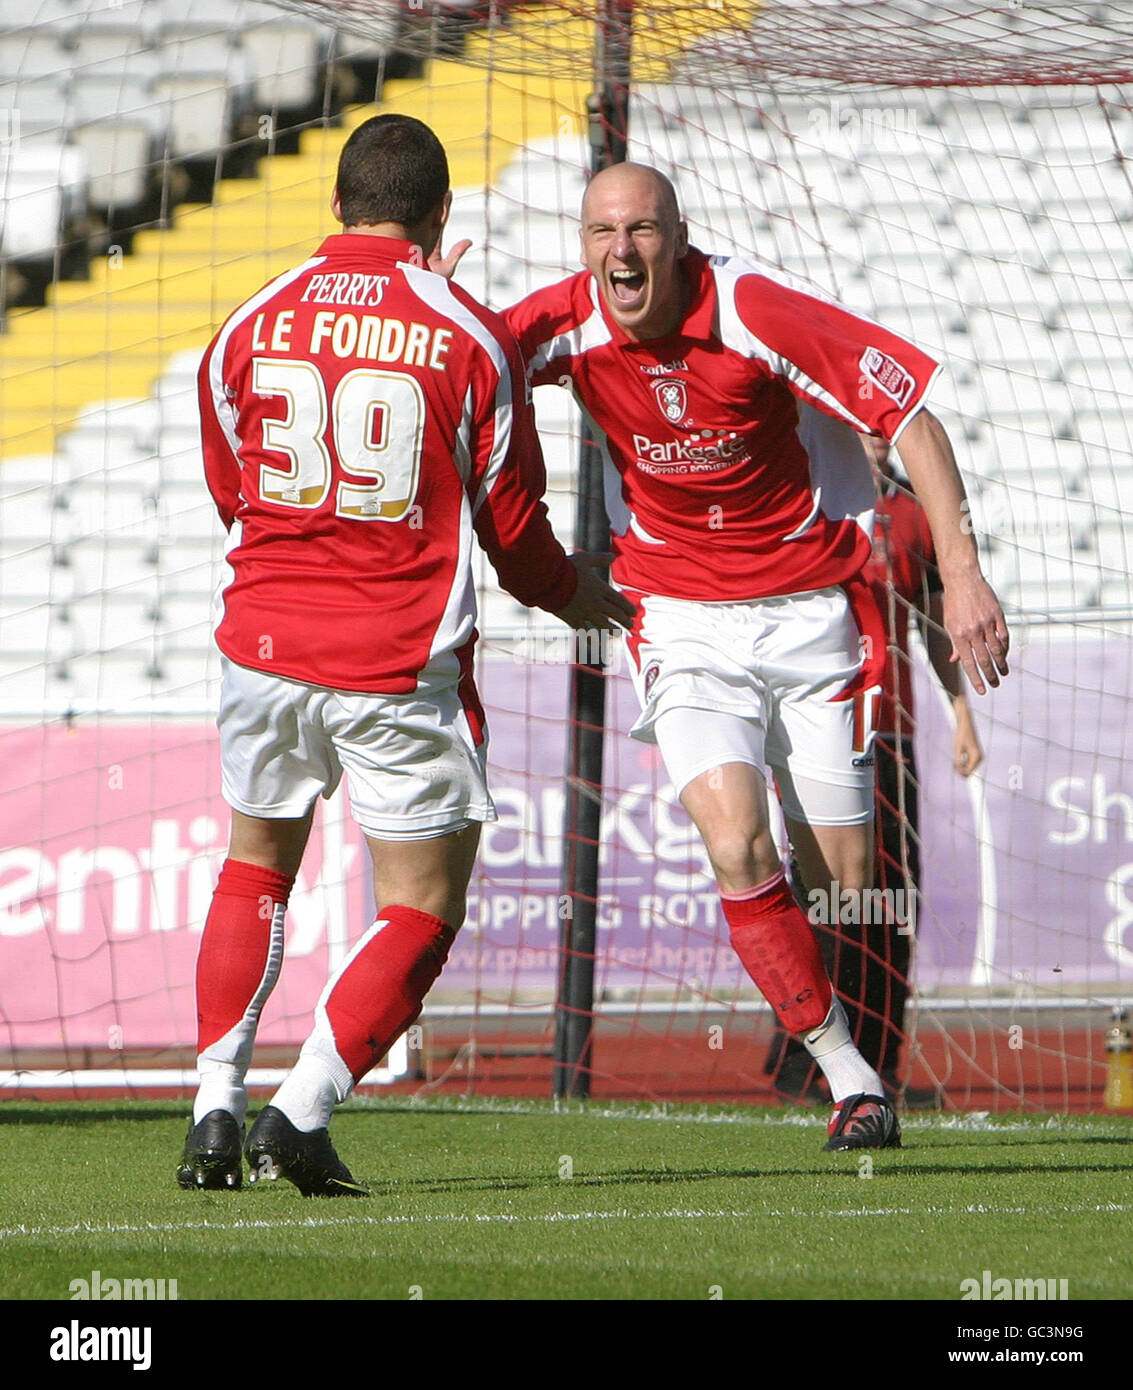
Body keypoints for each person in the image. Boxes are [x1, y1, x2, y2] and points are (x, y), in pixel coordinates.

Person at [441, 161, 1008, 1150]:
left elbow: (910, 412)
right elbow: (464, 363)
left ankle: (824, 1001)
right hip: (679, 615)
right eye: (601, 232)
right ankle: (850, 1084)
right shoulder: (565, 320)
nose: (622, 250)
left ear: (680, 236)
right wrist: (431, 302)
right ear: (583, 245)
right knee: (733, 838)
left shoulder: (750, 308)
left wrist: (959, 574)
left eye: (643, 230)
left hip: (804, 614)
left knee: (841, 880)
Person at [178, 115, 634, 1196]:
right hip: (392, 659)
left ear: (334, 206)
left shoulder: (245, 324)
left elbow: (235, 494)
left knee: (256, 867)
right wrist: (589, 598)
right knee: (422, 905)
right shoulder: (467, 334)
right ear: (439, 217)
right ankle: (301, 1108)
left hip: (263, 645)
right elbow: (515, 542)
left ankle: (210, 1109)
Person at [765, 434, 984, 1105]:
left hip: (889, 738)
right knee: (825, 900)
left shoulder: (912, 516)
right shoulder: (802, 509)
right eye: (858, 430)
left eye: (880, 431)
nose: (872, 442)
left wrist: (962, 716)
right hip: (816, 735)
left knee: (893, 904)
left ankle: (878, 1068)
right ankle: (806, 1068)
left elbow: (934, 627)